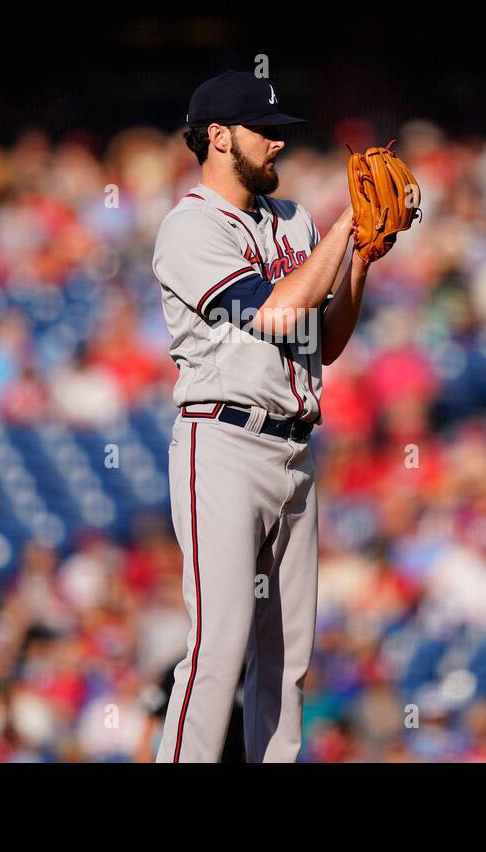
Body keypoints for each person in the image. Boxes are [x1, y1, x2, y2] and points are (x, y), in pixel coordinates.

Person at [150, 71, 375, 762]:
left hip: (296, 448)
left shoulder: (294, 221)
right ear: (217, 137)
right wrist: (346, 228)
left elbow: (322, 342)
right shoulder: (188, 226)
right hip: (222, 441)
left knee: (288, 662)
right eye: (263, 131)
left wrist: (360, 259)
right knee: (218, 647)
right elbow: (274, 313)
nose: (278, 143)